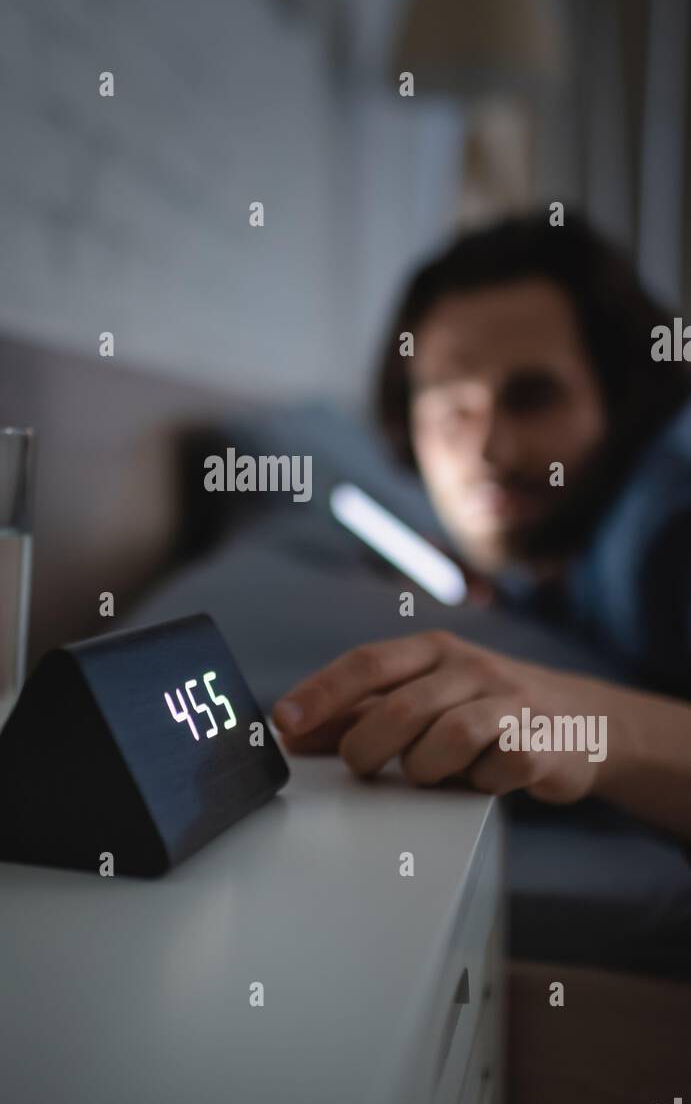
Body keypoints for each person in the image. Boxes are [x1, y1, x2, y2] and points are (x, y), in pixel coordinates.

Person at [272, 211, 691, 840]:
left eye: (531, 397)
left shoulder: (665, 535)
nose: (488, 450)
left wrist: (597, 727)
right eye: (449, 406)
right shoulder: (579, 542)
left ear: (620, 396)